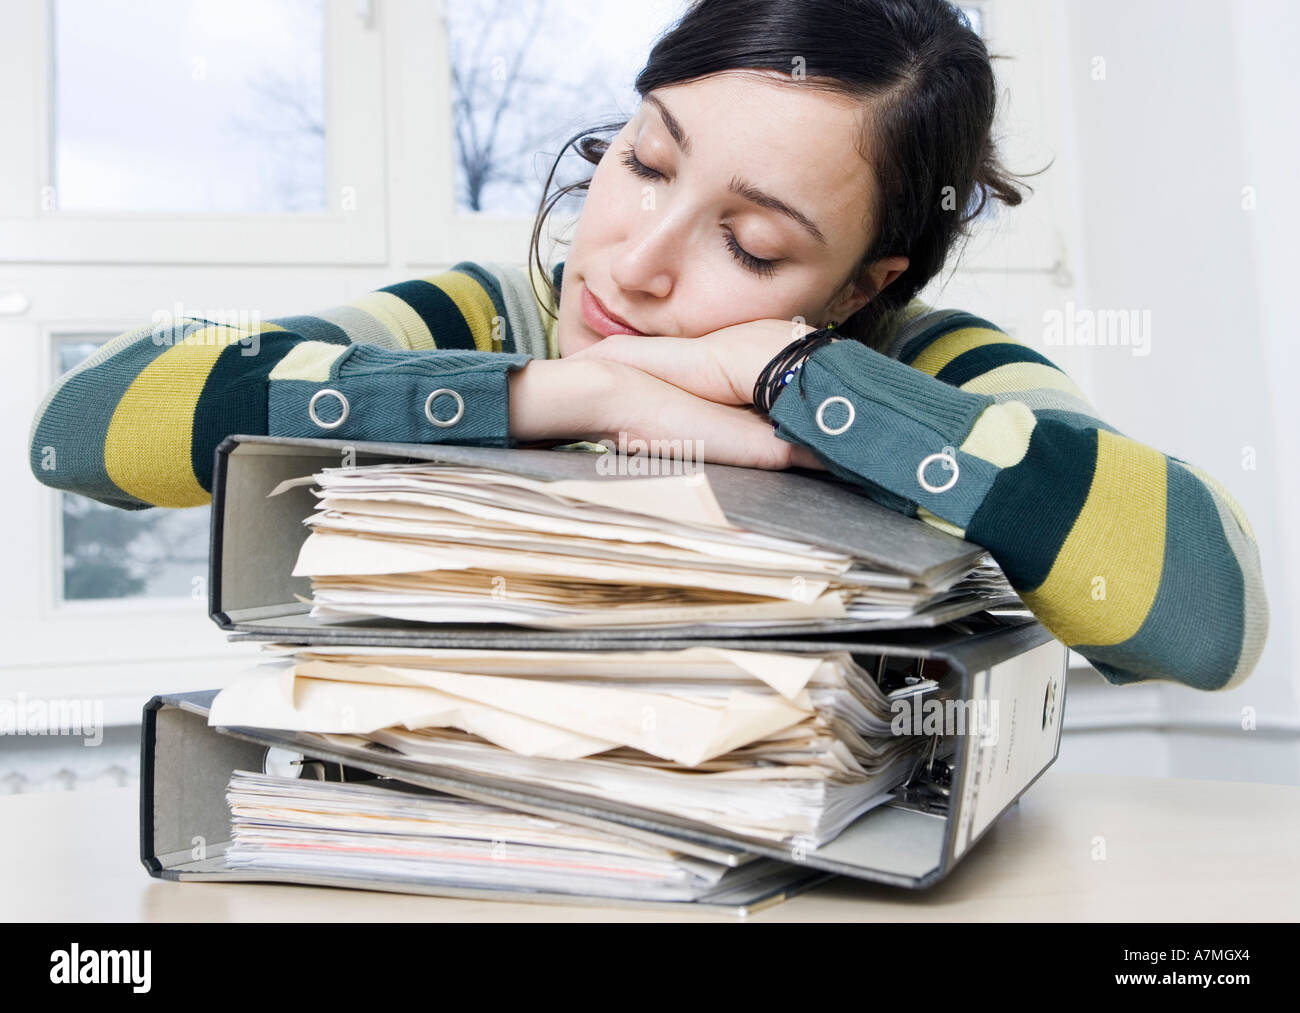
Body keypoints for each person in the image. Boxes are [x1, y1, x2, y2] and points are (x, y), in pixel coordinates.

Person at [28, 0, 1267, 692]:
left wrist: (797, 383)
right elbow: (86, 423)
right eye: (644, 161)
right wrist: (567, 390)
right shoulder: (492, 313)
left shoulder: (929, 365)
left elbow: (1202, 616)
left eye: (754, 245)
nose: (627, 262)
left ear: (860, 286)